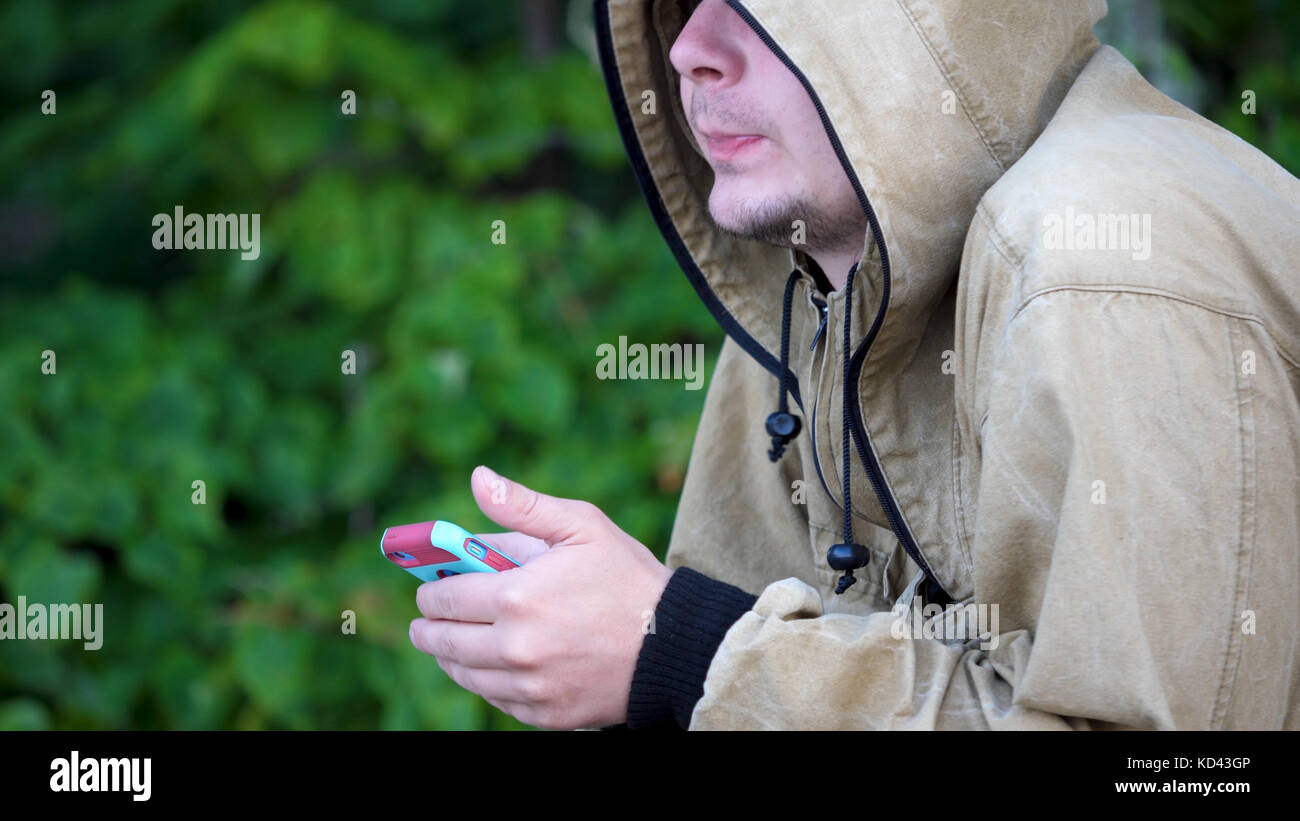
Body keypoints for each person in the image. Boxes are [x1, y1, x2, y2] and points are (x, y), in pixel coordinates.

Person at [408, 0, 1300, 730]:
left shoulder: (1102, 265)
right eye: (681, 2)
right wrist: (614, 653)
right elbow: (733, 620)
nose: (688, 50)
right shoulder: (821, 274)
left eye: (760, 10)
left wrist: (677, 651)